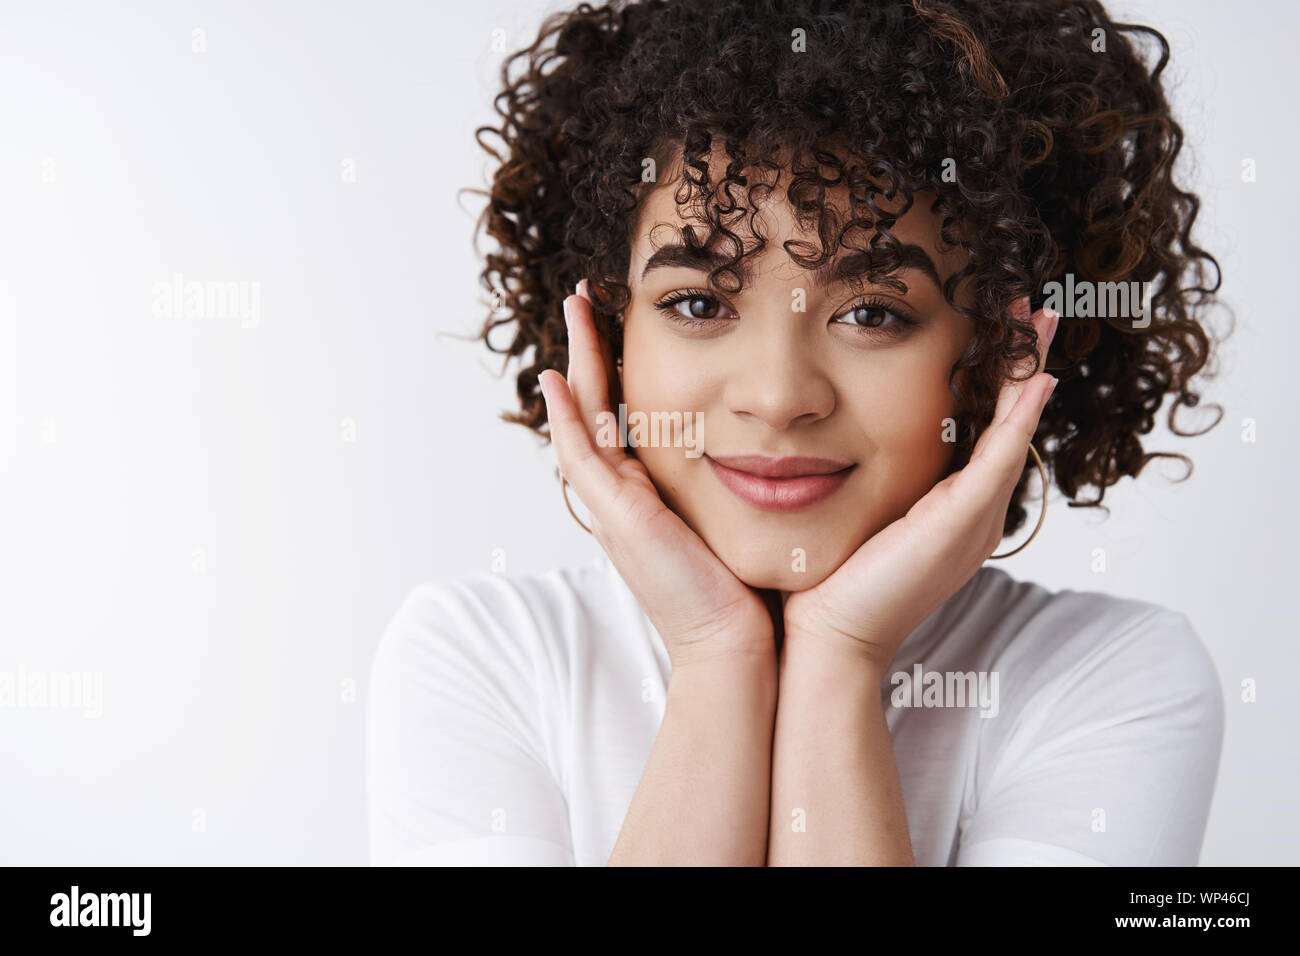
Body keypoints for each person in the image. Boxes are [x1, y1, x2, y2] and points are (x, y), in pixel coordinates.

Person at [367, 0, 1226, 866]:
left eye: (872, 313)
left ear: (999, 353)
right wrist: (716, 660)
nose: (779, 397)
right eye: (698, 303)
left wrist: (841, 662)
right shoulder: (478, 657)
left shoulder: (1115, 678)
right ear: (609, 335)